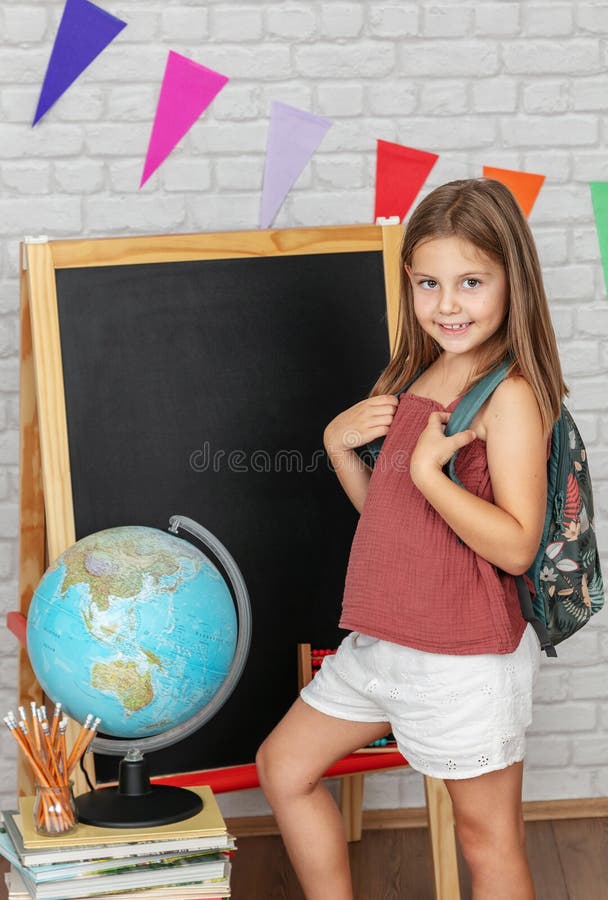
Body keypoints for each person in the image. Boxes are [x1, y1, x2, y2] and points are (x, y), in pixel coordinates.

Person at [256, 177, 567, 900]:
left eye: (470, 282)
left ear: (510, 282)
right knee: (284, 767)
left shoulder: (509, 394)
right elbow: (393, 522)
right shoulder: (421, 370)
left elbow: (518, 546)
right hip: (384, 641)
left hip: (463, 659)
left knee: (486, 842)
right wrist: (339, 447)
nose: (447, 303)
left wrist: (432, 474)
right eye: (429, 282)